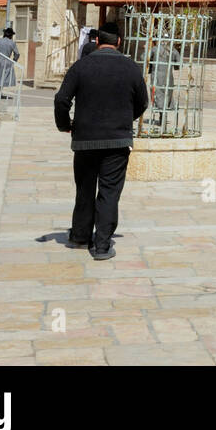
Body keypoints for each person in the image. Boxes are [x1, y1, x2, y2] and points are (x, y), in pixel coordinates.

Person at [54, 21, 148, 260]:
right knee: (109, 192)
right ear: (119, 42)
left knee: (85, 188)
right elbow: (142, 102)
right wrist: (125, 120)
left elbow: (61, 100)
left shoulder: (81, 66)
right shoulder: (131, 68)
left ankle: (79, 236)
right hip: (117, 142)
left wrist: (66, 125)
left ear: (96, 41)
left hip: (85, 141)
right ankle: (102, 246)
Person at [0, 27, 19, 98]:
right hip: (7, 62)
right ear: (11, 35)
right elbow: (17, 53)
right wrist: (14, 60)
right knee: (3, 77)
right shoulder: (12, 43)